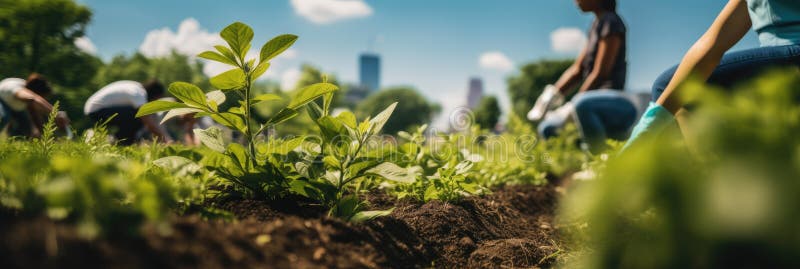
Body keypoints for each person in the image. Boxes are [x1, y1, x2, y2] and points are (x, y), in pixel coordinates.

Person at [624, 0, 800, 149]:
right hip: (782, 58)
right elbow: (713, 42)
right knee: (673, 85)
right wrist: (650, 122)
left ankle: (711, 171)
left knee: (680, 88)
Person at [529, 0, 643, 152]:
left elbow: (601, 72)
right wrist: (551, 95)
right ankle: (571, 163)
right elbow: (577, 70)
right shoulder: (595, 26)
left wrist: (573, 105)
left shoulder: (611, 22)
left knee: (581, 104)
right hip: (588, 103)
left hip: (616, 103)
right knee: (547, 128)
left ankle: (598, 160)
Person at [84, 80, 173, 145]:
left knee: (137, 117)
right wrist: (166, 140)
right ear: (153, 94)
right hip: (96, 111)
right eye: (156, 99)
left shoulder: (137, 88)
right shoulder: (139, 94)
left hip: (98, 109)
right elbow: (148, 121)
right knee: (139, 116)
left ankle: (117, 141)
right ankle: (119, 142)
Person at [0, 73, 70, 137]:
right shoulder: (18, 89)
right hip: (2, 102)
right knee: (4, 117)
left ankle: (14, 141)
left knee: (27, 127)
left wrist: (42, 134)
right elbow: (33, 99)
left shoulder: (29, 100)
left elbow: (35, 117)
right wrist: (55, 114)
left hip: (16, 108)